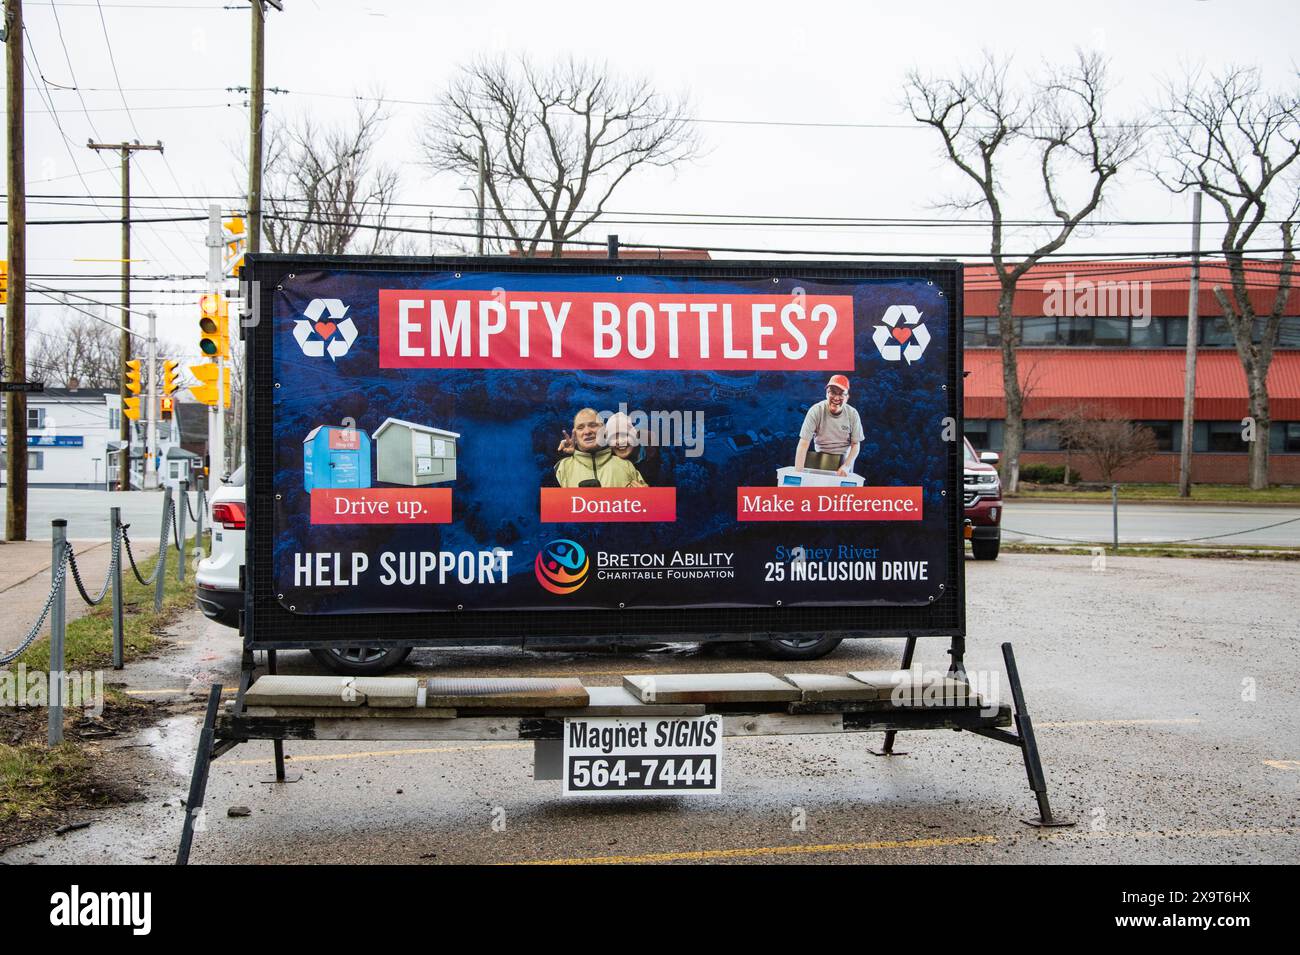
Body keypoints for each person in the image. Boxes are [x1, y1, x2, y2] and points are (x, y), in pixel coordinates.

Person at [553, 408, 647, 488]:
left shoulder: (626, 466)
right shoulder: (562, 468)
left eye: (593, 425)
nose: (587, 431)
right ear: (575, 434)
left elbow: (647, 506)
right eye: (580, 427)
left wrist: (648, 496)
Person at [794, 374, 864, 477]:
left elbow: (856, 445)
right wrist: (798, 475)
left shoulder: (852, 414)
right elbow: (803, 444)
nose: (836, 398)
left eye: (841, 394)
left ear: (847, 397)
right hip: (820, 458)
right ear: (826, 393)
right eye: (832, 392)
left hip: (844, 459)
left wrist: (846, 466)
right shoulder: (816, 410)